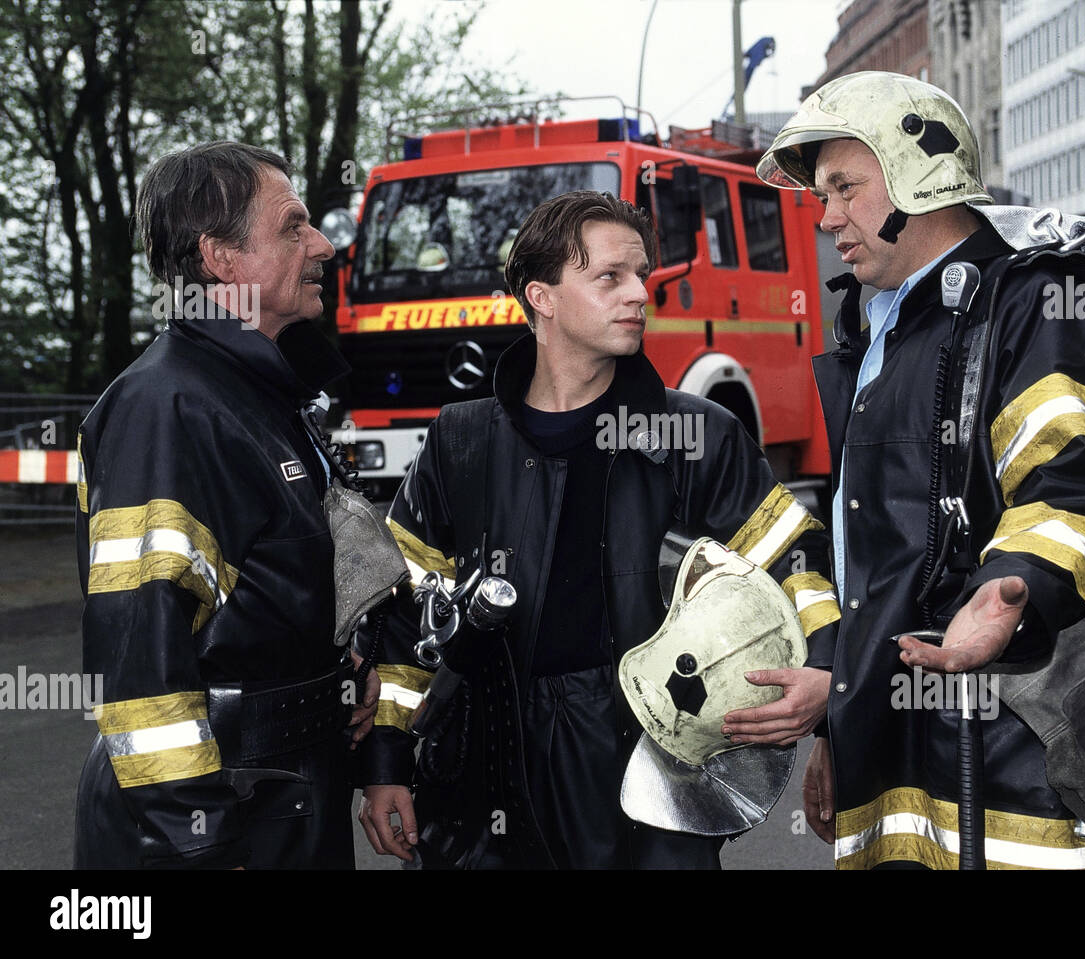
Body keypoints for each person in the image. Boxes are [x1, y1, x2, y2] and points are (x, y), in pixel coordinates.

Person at [756, 72, 1085, 869]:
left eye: (844, 187)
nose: (826, 217)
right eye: (818, 196)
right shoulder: (880, 328)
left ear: (923, 170)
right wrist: (839, 719)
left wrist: (1016, 584)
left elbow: (1075, 482)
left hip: (1025, 758)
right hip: (897, 750)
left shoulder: (1040, 295)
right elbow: (871, 559)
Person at [357, 190, 840, 868]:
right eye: (609, 277)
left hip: (651, 766)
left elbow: (798, 562)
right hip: (487, 769)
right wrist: (386, 761)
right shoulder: (459, 442)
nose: (639, 293)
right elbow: (405, 616)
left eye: (641, 273)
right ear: (542, 297)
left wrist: (825, 673)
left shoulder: (698, 437)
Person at [74, 141, 378, 868]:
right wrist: (204, 845)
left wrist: (341, 667)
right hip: (218, 826)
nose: (324, 245)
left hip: (282, 797)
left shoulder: (261, 394)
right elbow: (139, 667)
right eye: (293, 227)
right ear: (221, 259)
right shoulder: (168, 407)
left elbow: (271, 589)